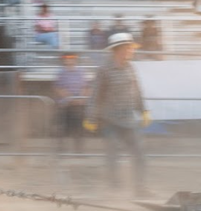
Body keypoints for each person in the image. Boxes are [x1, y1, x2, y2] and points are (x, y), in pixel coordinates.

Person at [84, 33, 151, 197]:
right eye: (129, 48)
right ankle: (114, 189)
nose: (131, 51)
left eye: (131, 48)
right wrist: (91, 117)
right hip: (110, 120)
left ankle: (140, 188)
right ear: (118, 50)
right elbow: (96, 95)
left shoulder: (130, 67)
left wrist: (143, 111)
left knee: (140, 155)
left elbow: (137, 92)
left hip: (129, 119)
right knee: (113, 156)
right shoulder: (104, 70)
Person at [53, 53, 90, 155]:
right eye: (66, 58)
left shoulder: (81, 72)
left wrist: (81, 99)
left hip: (78, 105)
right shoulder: (61, 73)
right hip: (65, 104)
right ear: (63, 60)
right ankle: (60, 150)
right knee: (62, 128)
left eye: (71, 58)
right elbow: (58, 88)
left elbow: (85, 87)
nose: (68, 60)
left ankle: (79, 150)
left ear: (75, 60)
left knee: (79, 128)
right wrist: (70, 99)